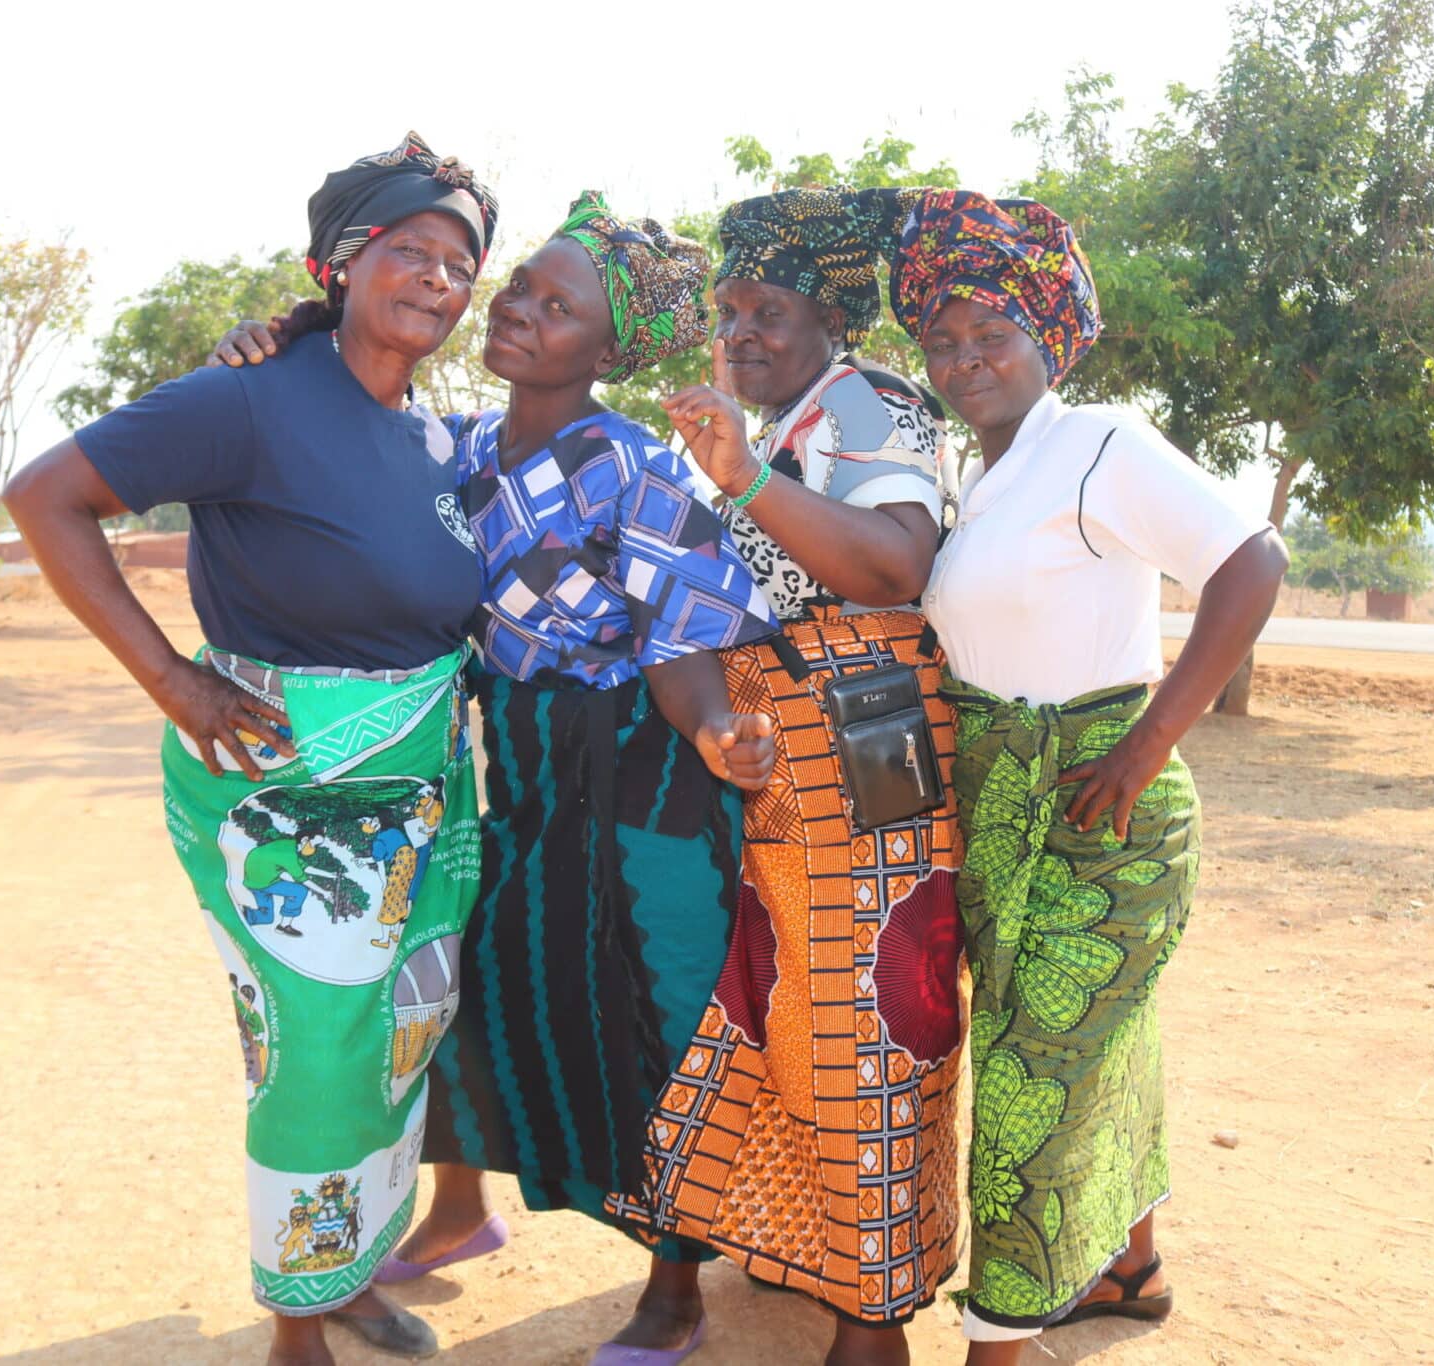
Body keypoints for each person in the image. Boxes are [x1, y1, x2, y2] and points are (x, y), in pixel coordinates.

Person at [211, 192, 780, 1366]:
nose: (517, 311)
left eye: (555, 306)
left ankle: (674, 1285)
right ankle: (463, 1209)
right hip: (508, 761)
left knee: (658, 1013)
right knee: (469, 985)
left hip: (640, 775)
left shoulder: (638, 468)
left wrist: (720, 729)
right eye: (518, 286)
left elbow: (681, 643)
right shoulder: (454, 446)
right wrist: (287, 327)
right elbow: (351, 382)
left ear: (609, 350)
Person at [4, 132, 499, 1366]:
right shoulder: (248, 398)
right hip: (291, 806)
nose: (439, 279)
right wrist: (172, 678)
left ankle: (347, 1264)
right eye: (411, 251)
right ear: (338, 263)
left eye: (459, 263)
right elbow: (45, 496)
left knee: (400, 1032)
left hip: (422, 793)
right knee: (314, 1052)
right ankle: (296, 1319)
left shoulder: (434, 440)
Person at [878, 187, 1288, 1361]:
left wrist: (1150, 739)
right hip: (997, 806)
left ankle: (996, 1343)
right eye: (942, 342)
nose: (963, 361)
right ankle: (1130, 1265)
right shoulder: (980, 473)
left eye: (988, 336)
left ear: (1045, 337)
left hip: (1100, 802)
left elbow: (1247, 561)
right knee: (1093, 1045)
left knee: (1028, 1079)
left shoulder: (1098, 439)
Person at [603, 187, 968, 1366]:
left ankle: (870, 1323)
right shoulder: (744, 432)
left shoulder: (868, 403)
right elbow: (684, 614)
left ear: (830, 323)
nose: (743, 332)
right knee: (754, 1011)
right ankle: (735, 1263)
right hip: (762, 759)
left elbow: (893, 564)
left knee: (868, 1014)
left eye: (770, 309)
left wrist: (747, 480)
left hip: (867, 747)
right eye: (729, 311)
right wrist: (716, 723)